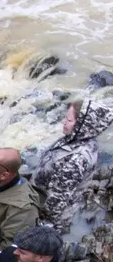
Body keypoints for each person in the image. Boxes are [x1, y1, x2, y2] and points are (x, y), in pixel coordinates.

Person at [31, 99, 113, 232]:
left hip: (47, 220)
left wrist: (39, 226)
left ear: (83, 125)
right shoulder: (78, 138)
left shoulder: (78, 158)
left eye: (69, 120)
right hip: (39, 200)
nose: (63, 122)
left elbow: (58, 198)